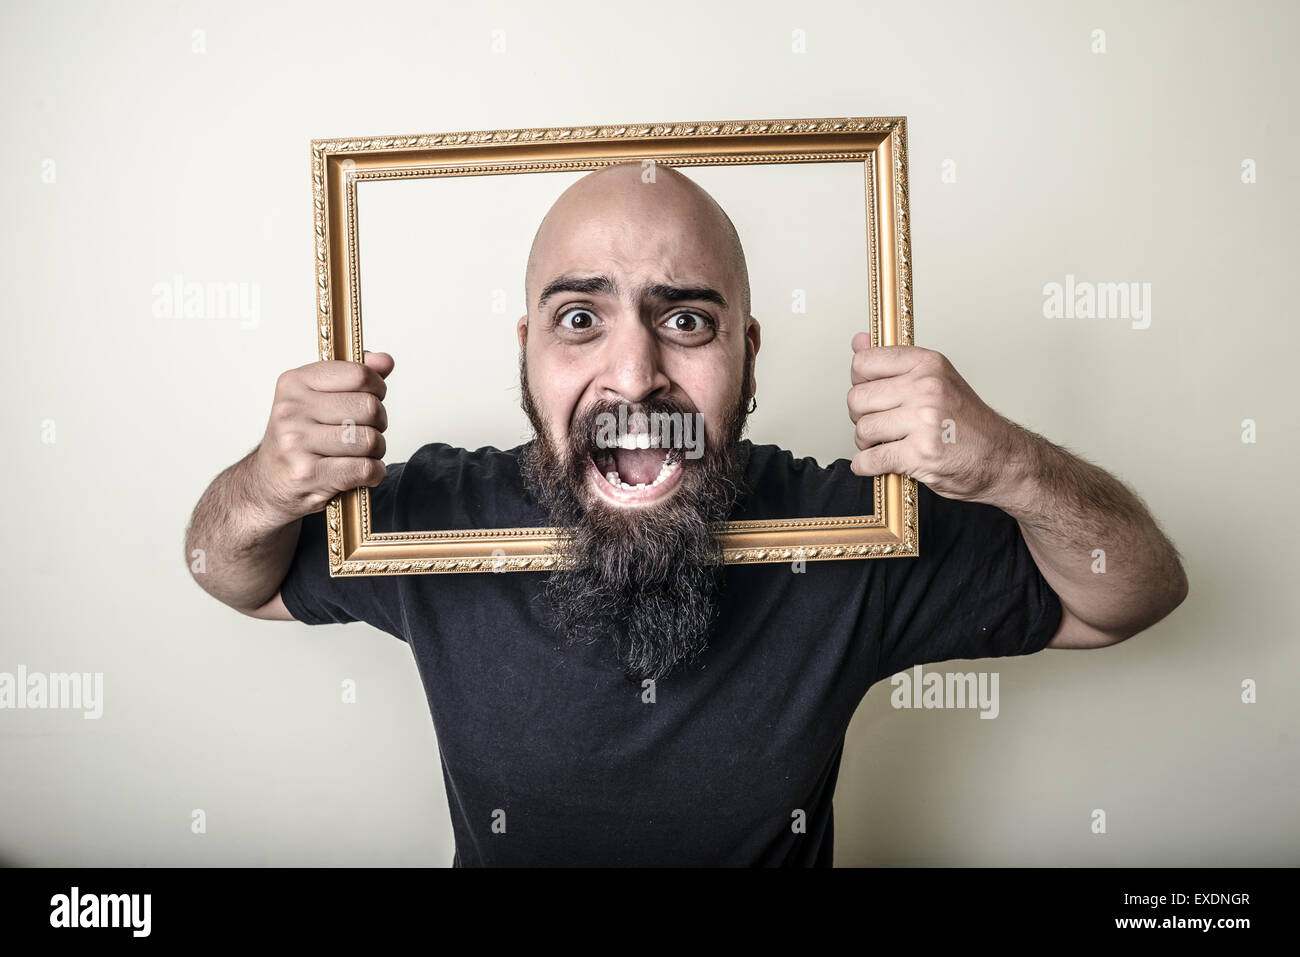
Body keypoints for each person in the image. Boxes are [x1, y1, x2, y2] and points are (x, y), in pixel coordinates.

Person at [185, 162, 1188, 866]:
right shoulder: (436, 519)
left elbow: (1126, 598)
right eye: (580, 319)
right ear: (527, 350)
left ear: (747, 353)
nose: (633, 373)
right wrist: (265, 484)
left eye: (686, 321)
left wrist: (1008, 461)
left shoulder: (846, 532)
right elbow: (235, 573)